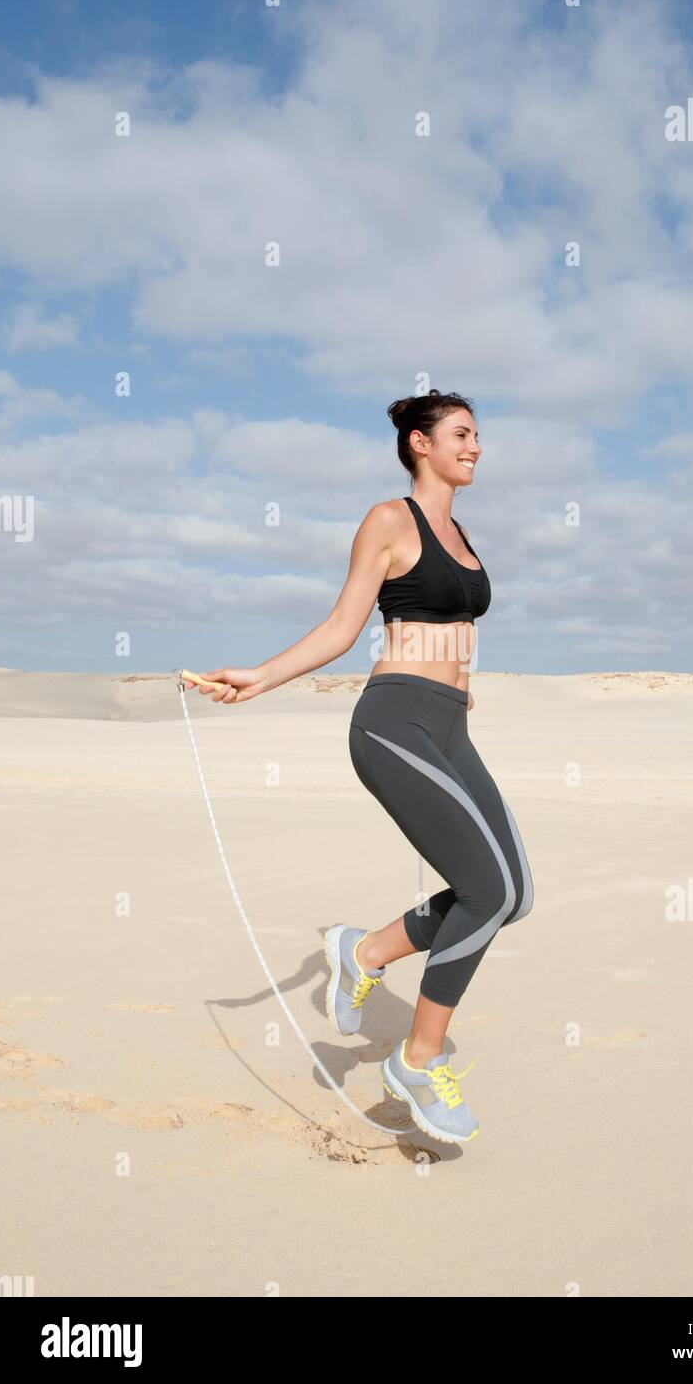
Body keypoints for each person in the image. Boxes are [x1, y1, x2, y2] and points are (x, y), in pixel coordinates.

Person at [185, 388, 534, 1145]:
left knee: (515, 894)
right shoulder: (389, 521)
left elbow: (454, 629)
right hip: (394, 722)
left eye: (477, 435)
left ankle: (365, 950)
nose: (475, 447)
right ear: (420, 443)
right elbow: (343, 626)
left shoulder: (461, 532)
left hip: (449, 727)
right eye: (461, 434)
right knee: (487, 891)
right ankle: (418, 1061)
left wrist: (458, 698)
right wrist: (259, 677)